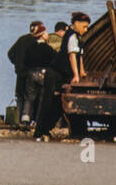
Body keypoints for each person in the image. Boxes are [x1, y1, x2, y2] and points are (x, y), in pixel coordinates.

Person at [33, 12, 90, 142]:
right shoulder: (72, 36)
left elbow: (79, 56)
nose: (86, 30)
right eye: (85, 26)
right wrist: (76, 75)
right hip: (54, 73)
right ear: (76, 24)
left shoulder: (78, 37)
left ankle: (48, 129)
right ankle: (39, 132)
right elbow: (72, 56)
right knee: (48, 102)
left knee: (59, 103)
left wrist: (82, 73)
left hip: (63, 74)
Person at [6, 20, 46, 125]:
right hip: (32, 72)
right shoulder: (36, 42)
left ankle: (18, 120)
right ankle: (31, 120)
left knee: (20, 96)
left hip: (20, 72)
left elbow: (10, 53)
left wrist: (17, 64)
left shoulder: (22, 39)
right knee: (31, 97)